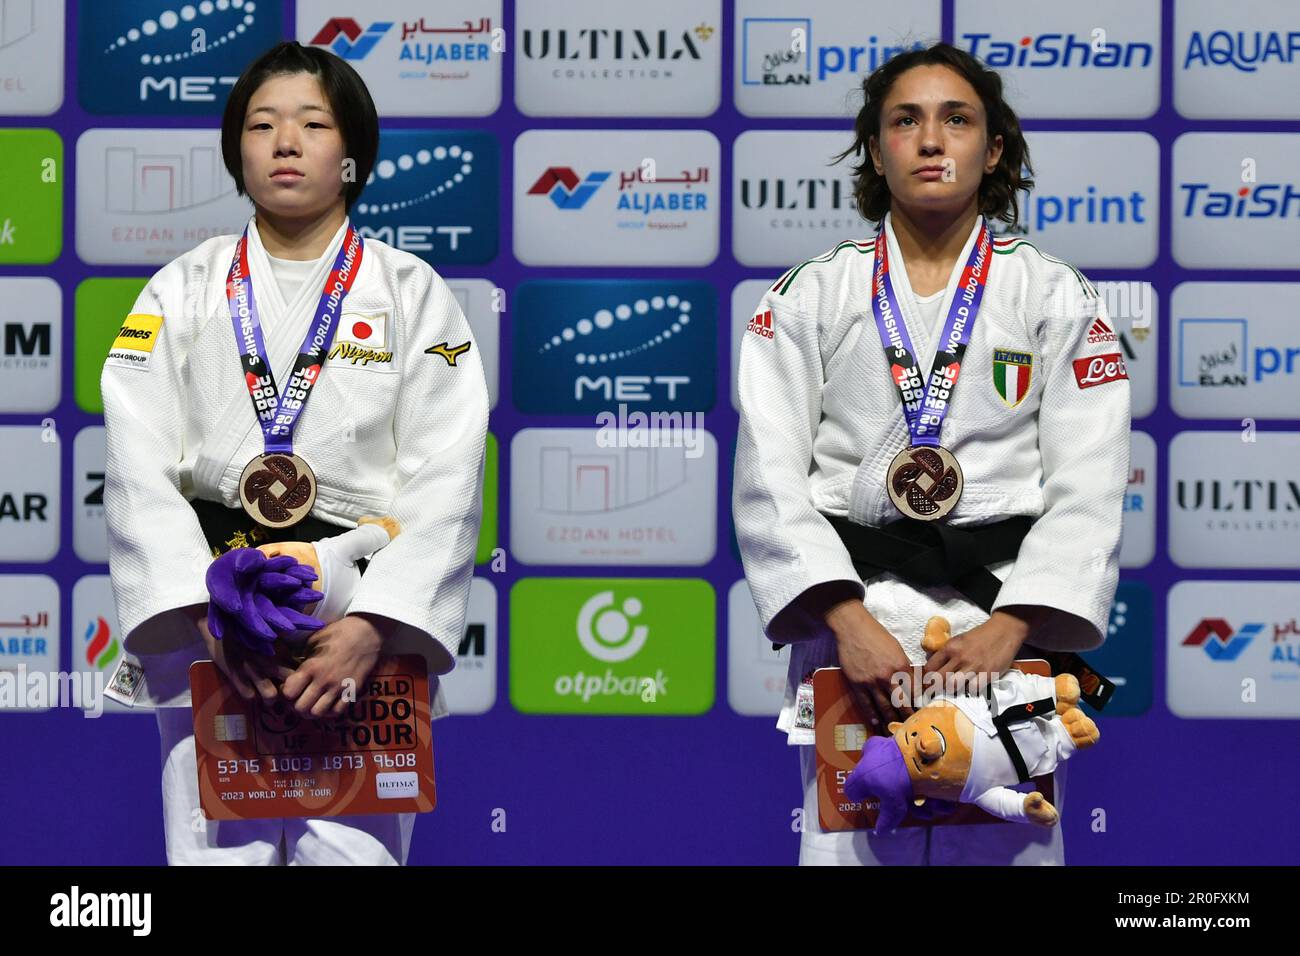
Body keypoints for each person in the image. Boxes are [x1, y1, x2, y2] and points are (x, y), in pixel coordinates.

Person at [732, 41, 1130, 865]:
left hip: (1003, 635)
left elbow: (1089, 487)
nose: (930, 139)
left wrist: (1014, 625)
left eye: (957, 119)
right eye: (904, 121)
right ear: (877, 152)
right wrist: (846, 620)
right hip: (857, 641)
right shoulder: (811, 295)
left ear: (992, 151)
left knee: (1012, 844)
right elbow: (769, 480)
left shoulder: (1054, 295)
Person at [99, 41, 489, 865]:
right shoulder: (180, 290)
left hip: (357, 629)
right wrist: (207, 614)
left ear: (352, 156)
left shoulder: (411, 294)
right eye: (262, 123)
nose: (284, 142)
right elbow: (137, 461)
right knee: (214, 854)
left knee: (354, 856)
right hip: (218, 627)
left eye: (312, 124)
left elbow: (448, 471)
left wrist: (377, 625)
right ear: (236, 151)